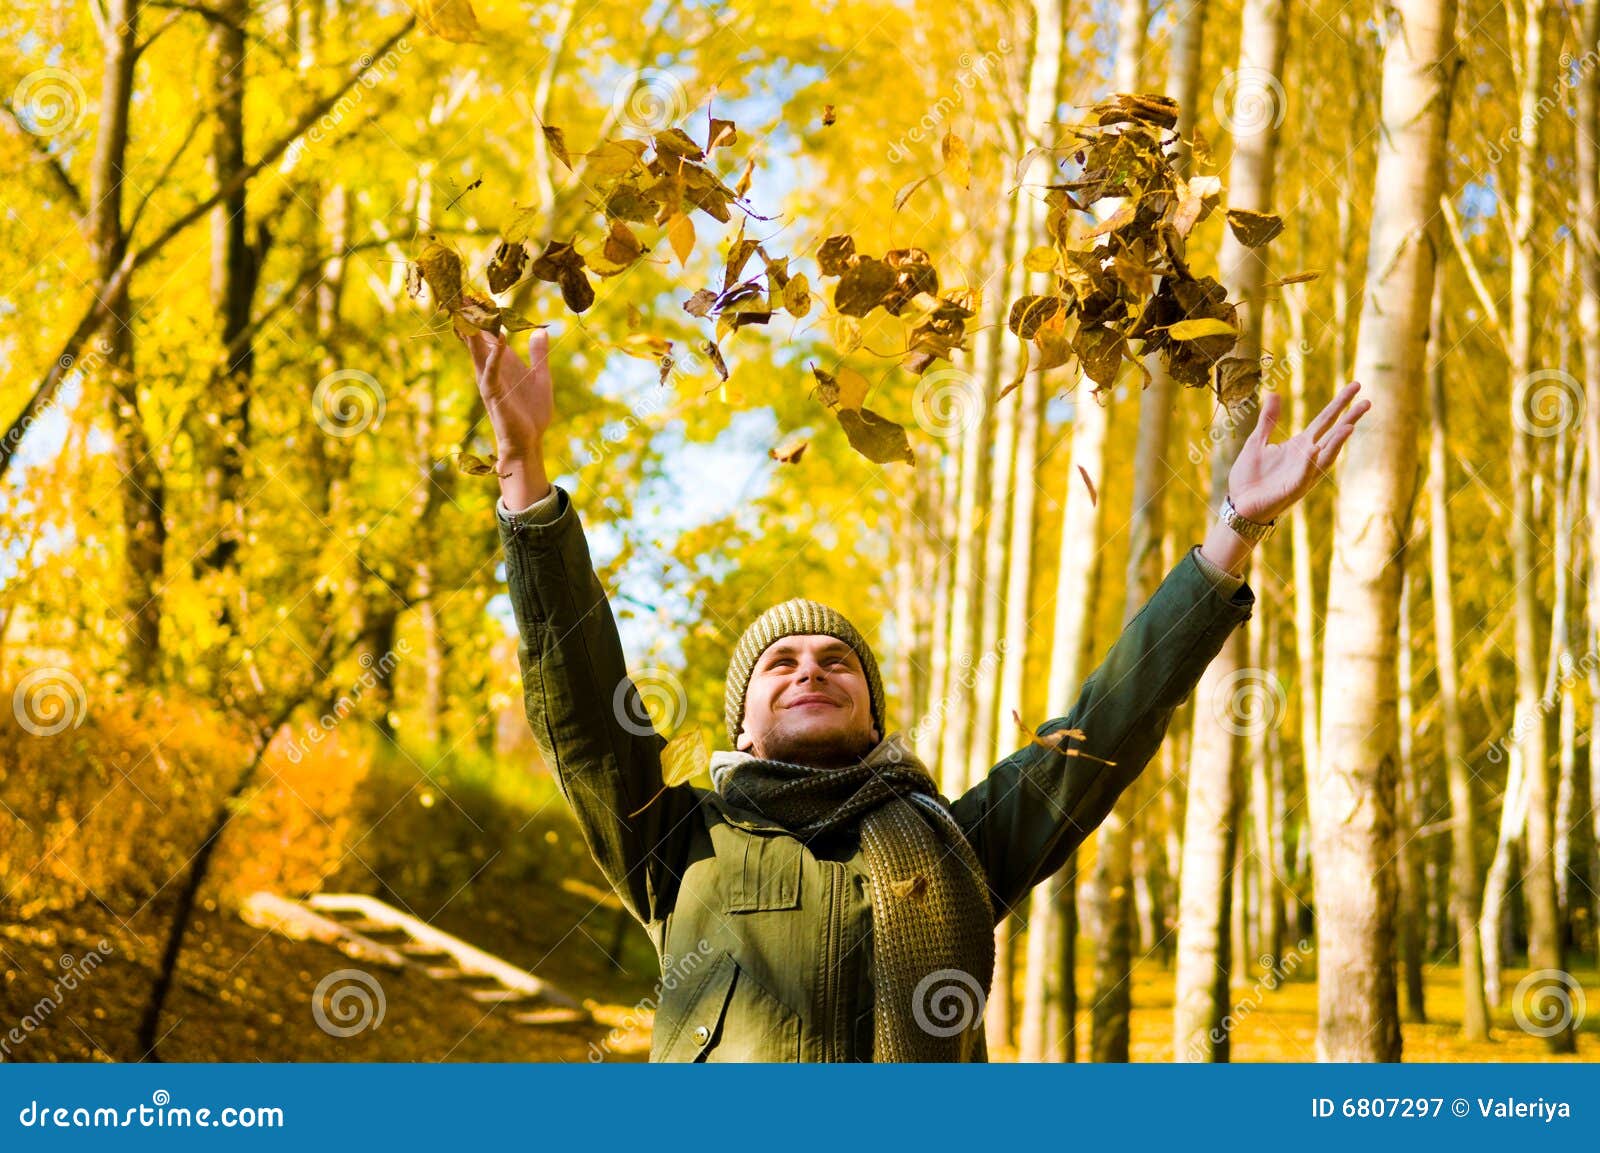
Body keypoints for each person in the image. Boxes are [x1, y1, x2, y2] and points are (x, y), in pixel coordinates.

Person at [467, 327, 1369, 1062]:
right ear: (742, 718)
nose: (810, 668)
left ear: (874, 713)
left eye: (836, 659)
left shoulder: (962, 844)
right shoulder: (676, 839)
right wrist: (522, 471)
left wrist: (1234, 531)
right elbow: (583, 710)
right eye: (780, 662)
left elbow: (1106, 726)